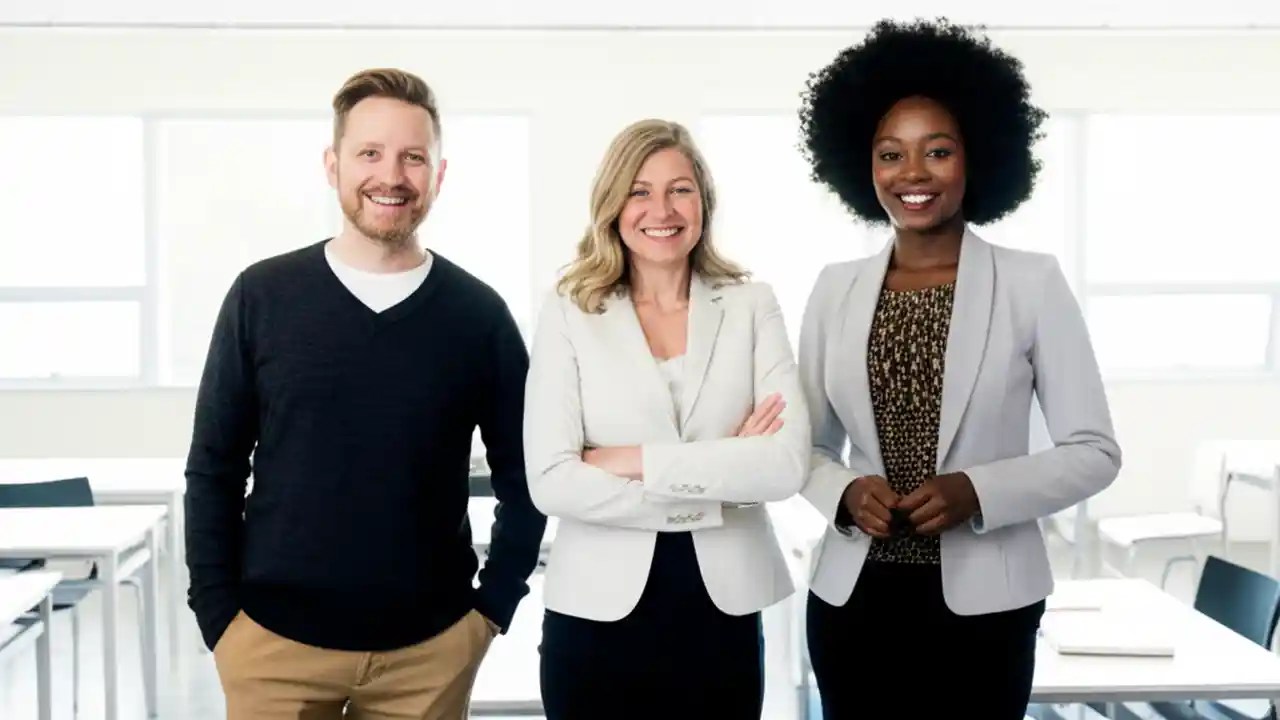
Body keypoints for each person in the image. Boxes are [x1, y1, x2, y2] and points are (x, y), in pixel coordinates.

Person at [185, 67, 546, 719]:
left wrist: (491, 609)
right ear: (333, 165)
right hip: (272, 650)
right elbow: (214, 467)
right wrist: (219, 617)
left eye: (414, 157)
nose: (392, 175)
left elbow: (526, 475)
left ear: (439, 174)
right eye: (370, 153)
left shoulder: (478, 316)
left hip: (428, 657)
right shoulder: (261, 297)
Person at [794, 19, 1122, 718]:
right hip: (854, 602)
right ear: (864, 166)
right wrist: (847, 495)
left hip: (988, 610)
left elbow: (1093, 453)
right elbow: (808, 448)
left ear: (977, 157)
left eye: (936, 151)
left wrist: (978, 490)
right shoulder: (834, 288)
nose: (913, 174)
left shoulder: (1032, 283)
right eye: (891, 155)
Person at [523, 118, 810, 719]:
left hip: (722, 612)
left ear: (704, 200)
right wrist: (720, 484)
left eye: (680, 188)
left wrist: (631, 461)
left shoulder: (751, 304)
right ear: (612, 204)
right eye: (639, 190)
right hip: (594, 614)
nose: (662, 208)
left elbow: (784, 465)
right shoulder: (570, 311)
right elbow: (551, 479)